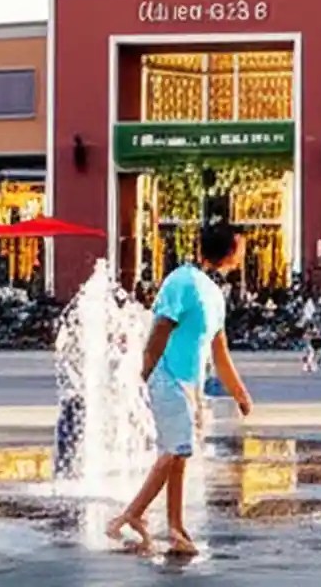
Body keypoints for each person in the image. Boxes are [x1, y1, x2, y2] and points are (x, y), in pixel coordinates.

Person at [106, 222, 253, 556]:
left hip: (190, 384)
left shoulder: (214, 293)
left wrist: (240, 393)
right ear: (229, 250)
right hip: (167, 375)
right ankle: (131, 515)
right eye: (240, 246)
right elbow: (160, 328)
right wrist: (143, 373)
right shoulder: (182, 280)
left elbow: (219, 351)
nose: (243, 253)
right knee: (172, 451)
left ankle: (175, 527)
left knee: (179, 453)